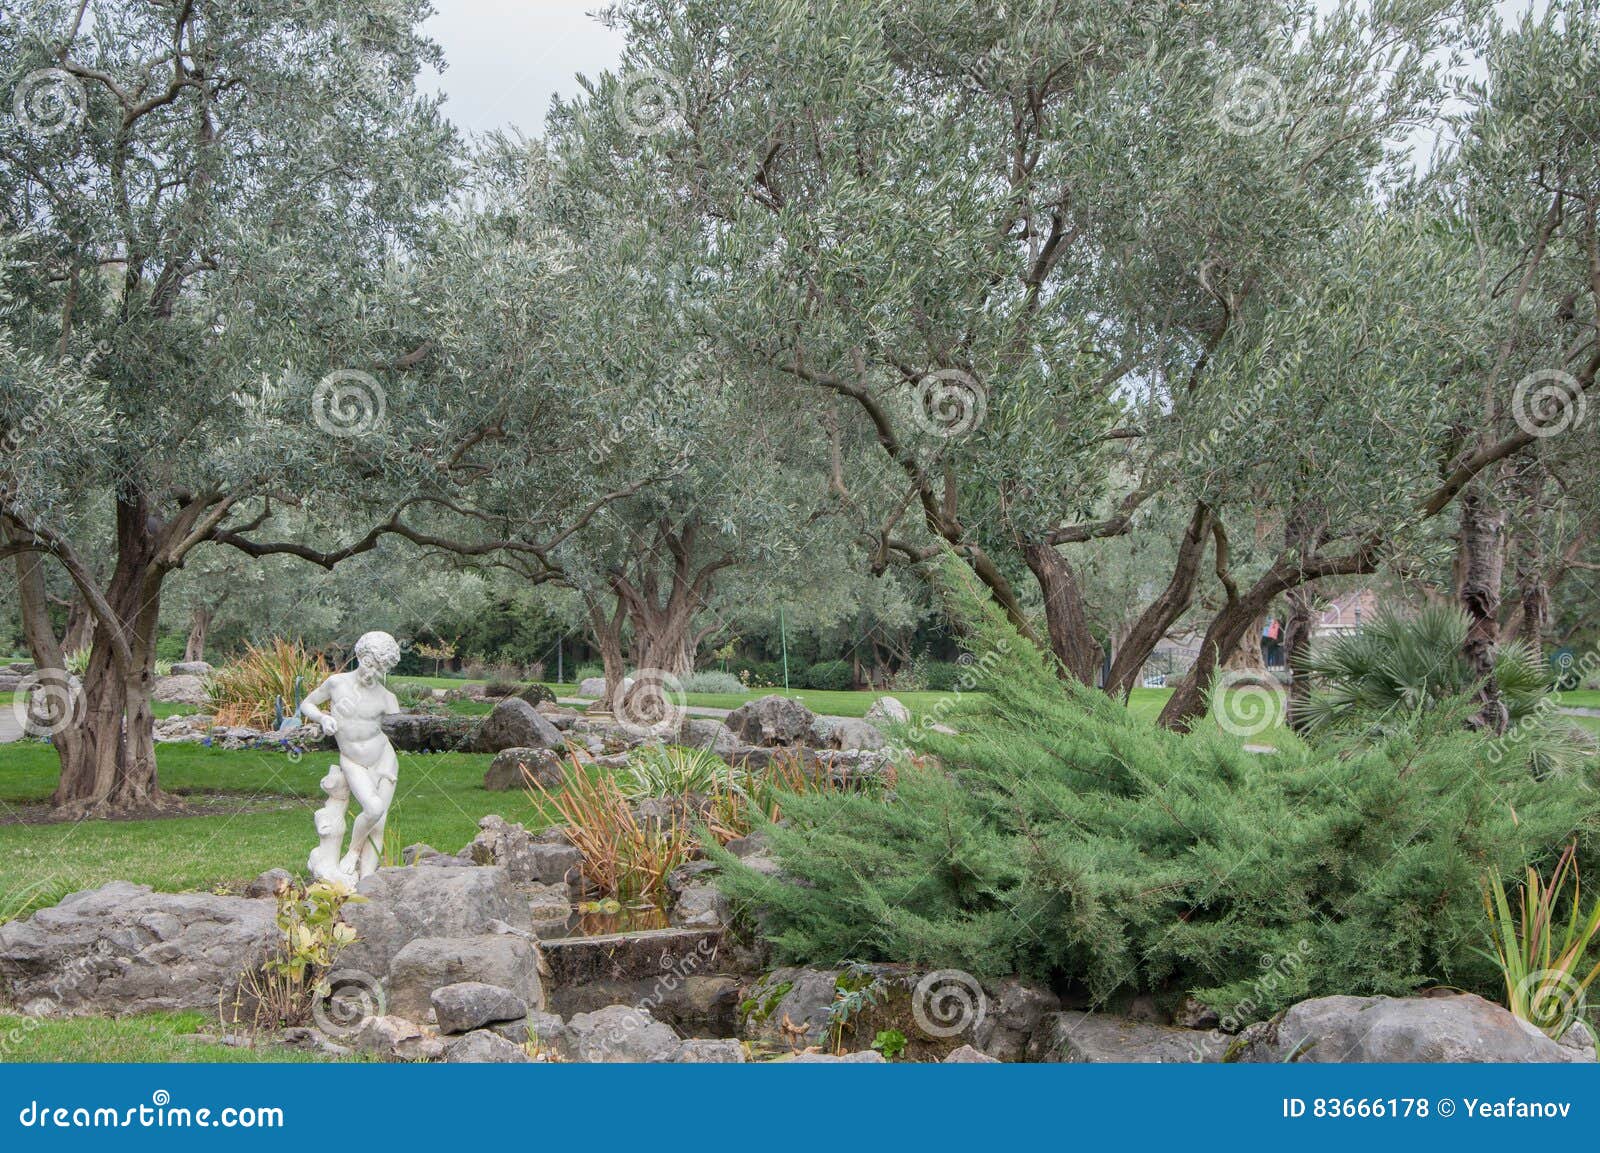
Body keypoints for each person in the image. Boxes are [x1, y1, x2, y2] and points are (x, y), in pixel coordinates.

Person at [300, 631, 402, 884]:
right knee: (373, 808)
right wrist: (323, 718)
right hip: (353, 761)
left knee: (378, 821)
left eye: (382, 669)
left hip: (384, 759)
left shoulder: (387, 698)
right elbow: (307, 704)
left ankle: (367, 881)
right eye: (373, 664)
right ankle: (353, 851)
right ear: (361, 656)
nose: (376, 673)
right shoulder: (337, 684)